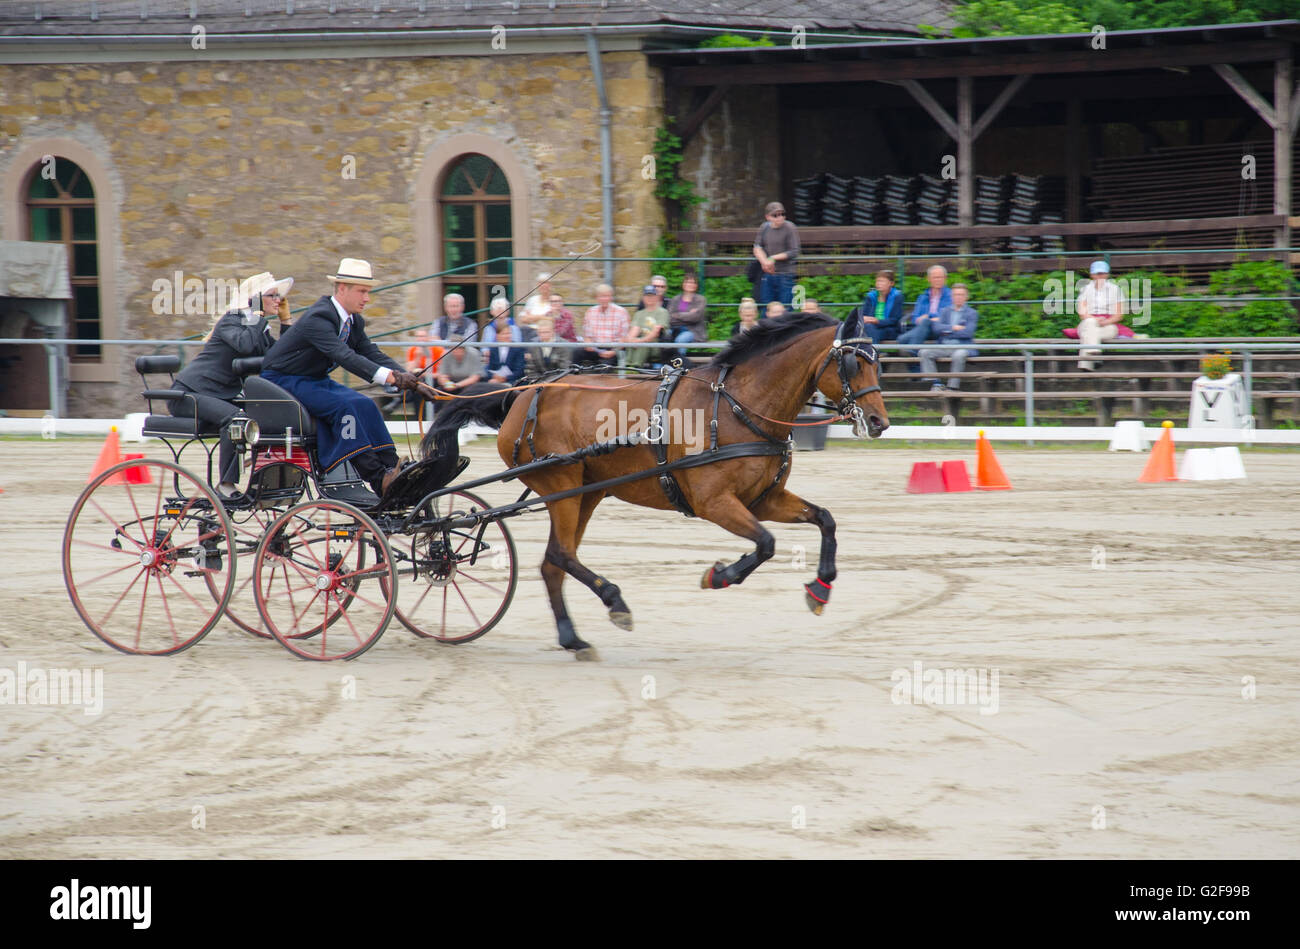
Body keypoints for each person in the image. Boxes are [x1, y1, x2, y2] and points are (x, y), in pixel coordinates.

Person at [260, 257, 420, 498]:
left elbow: (369, 352)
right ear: (342, 289)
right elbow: (343, 355)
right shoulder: (319, 317)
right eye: (362, 292)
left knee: (365, 404)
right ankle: (378, 478)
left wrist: (408, 377)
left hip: (312, 379)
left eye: (368, 292)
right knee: (345, 407)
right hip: (283, 380)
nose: (367, 298)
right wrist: (392, 379)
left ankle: (393, 467)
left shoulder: (353, 320)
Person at [168, 270, 293, 498]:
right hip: (188, 395)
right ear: (254, 299)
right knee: (236, 419)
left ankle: (263, 476)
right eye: (272, 295)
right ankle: (225, 485)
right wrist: (257, 315)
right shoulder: (232, 320)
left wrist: (286, 321)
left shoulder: (259, 330)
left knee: (270, 416)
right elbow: (244, 346)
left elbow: (283, 359)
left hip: (218, 396)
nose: (279, 300)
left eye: (279, 296)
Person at [918, 284, 979, 391]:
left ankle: (953, 387)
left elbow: (968, 333)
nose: (958, 297)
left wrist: (946, 331)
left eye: (961, 295)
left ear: (966, 297)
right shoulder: (944, 311)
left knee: (959, 354)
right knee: (924, 352)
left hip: (962, 346)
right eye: (956, 295)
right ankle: (936, 384)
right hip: (944, 345)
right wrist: (954, 328)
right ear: (952, 296)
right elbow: (936, 329)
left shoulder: (972, 313)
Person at [1076, 260, 1125, 371]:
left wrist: (1105, 322)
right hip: (1088, 322)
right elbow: (1082, 313)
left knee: (1089, 333)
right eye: (1097, 273)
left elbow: (1119, 315)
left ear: (1107, 274)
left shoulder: (1116, 290)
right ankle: (1095, 354)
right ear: (1092, 275)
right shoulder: (1085, 289)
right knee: (1090, 323)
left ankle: (1086, 365)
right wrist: (1096, 319)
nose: (1100, 276)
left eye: (1102, 273)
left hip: (1108, 325)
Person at [752, 201, 800, 306]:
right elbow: (757, 247)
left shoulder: (790, 227)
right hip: (768, 274)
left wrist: (772, 258)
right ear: (768, 217)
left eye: (782, 214)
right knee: (766, 307)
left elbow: (794, 251)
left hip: (786, 273)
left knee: (786, 308)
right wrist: (764, 262)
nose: (780, 217)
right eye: (775, 215)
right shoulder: (764, 227)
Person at [898, 265, 952, 349]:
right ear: (929, 279)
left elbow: (947, 317)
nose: (938, 280)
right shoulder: (922, 297)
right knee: (902, 338)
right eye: (935, 277)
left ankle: (912, 350)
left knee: (925, 322)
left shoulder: (951, 296)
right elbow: (914, 318)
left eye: (940, 277)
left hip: (940, 330)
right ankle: (912, 350)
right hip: (922, 330)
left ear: (945, 278)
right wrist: (919, 320)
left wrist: (928, 318)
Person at [579, 283, 630, 366]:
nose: (604, 299)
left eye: (607, 296)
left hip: (613, 349)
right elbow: (587, 337)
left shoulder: (621, 312)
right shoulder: (590, 312)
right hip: (594, 348)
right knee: (576, 353)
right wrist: (594, 349)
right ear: (596, 298)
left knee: (604, 366)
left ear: (611, 297)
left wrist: (613, 352)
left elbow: (624, 338)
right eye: (601, 296)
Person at [482, 298, 527, 383]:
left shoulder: (514, 328)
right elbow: (488, 365)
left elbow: (519, 369)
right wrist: (495, 377)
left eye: (502, 308)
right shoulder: (488, 331)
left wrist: (503, 379)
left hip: (512, 378)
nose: (500, 310)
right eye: (497, 308)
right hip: (495, 377)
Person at [666, 273, 708, 362]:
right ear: (683, 284)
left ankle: (678, 364)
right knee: (664, 336)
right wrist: (688, 314)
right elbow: (669, 317)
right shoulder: (675, 299)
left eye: (693, 283)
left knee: (681, 339)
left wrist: (677, 315)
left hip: (693, 331)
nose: (691, 285)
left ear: (696, 286)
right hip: (675, 328)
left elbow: (696, 317)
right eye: (688, 282)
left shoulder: (701, 299)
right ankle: (662, 362)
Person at [627, 284, 670, 367]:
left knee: (643, 342)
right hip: (641, 344)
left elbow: (656, 333)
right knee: (628, 341)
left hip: (656, 346)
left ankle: (635, 368)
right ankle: (626, 366)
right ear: (643, 298)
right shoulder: (639, 314)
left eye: (652, 296)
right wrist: (631, 340)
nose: (649, 298)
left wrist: (639, 341)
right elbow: (635, 330)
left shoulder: (663, 312)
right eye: (647, 296)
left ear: (657, 297)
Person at [860, 269, 905, 345]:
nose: (878, 284)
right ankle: (876, 352)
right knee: (868, 328)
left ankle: (875, 352)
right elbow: (864, 315)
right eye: (877, 281)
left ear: (891, 283)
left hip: (890, 329)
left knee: (870, 330)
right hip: (871, 327)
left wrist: (878, 321)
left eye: (882, 281)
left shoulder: (897, 296)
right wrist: (865, 318)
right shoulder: (871, 296)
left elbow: (895, 319)